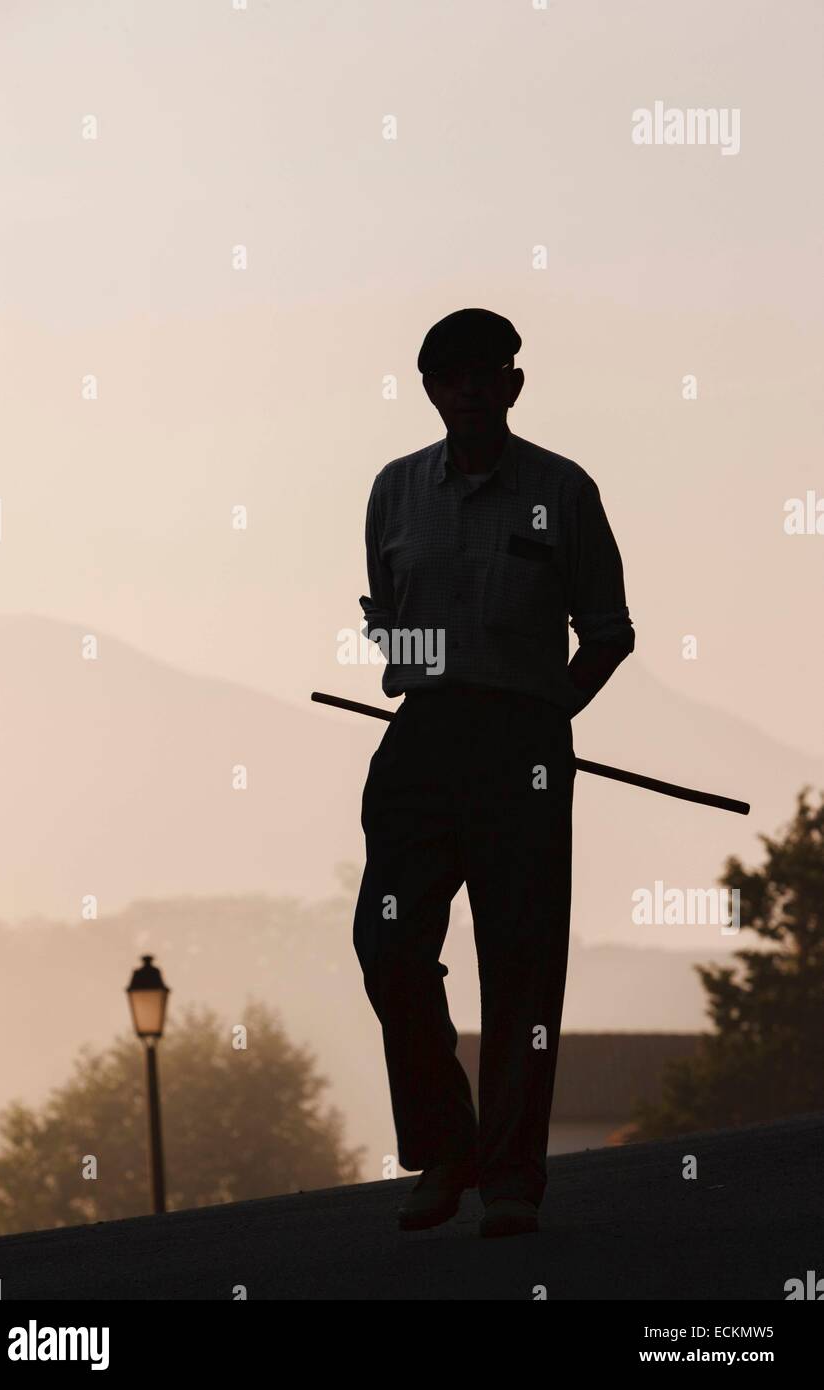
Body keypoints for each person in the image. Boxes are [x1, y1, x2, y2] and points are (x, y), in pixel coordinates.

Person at [354, 307, 635, 1238]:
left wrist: (544, 716)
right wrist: (415, 649)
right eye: (452, 377)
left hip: (525, 752)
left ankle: (510, 1175)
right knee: (388, 947)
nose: (470, 390)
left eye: (487, 375)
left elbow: (608, 633)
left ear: (514, 384)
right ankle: (448, 1148)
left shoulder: (564, 489)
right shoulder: (393, 492)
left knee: (520, 968)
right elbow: (396, 632)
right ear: (431, 390)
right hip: (421, 740)